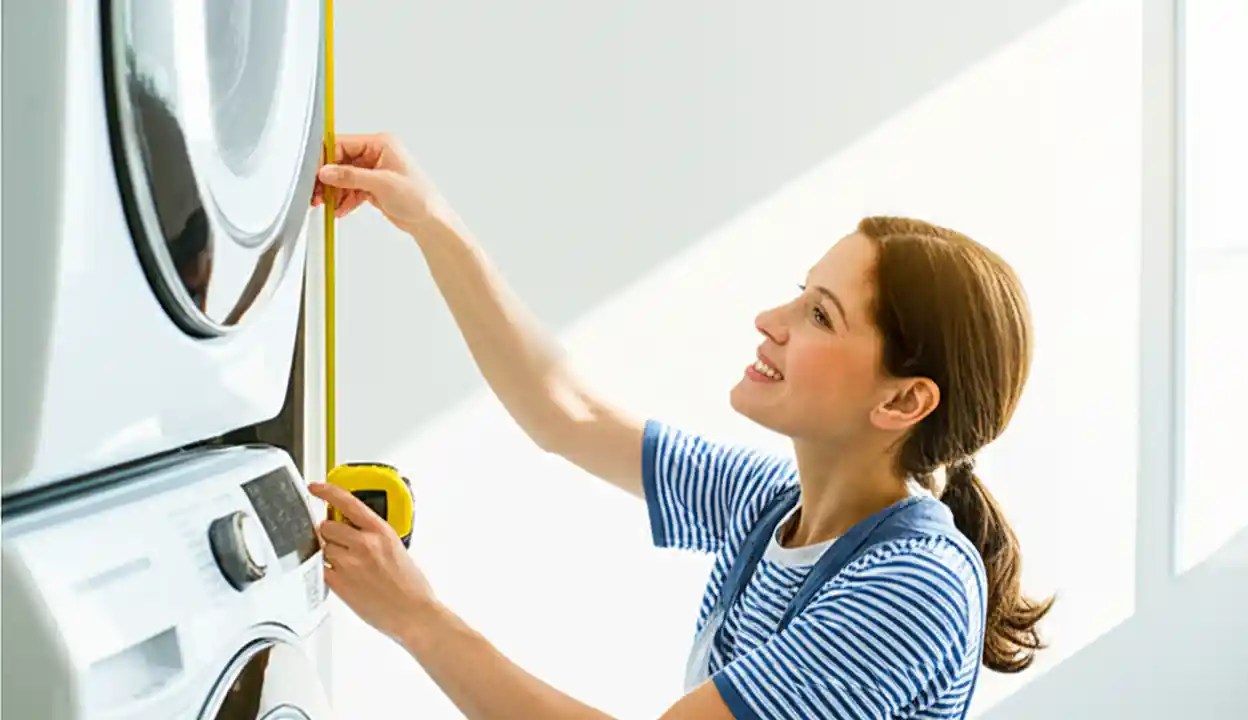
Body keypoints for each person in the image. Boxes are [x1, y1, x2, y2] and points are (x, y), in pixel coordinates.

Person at [307, 132, 1053, 720]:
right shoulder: (773, 507)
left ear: (901, 403)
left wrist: (418, 618)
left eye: (820, 314)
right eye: (799, 294)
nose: (771, 321)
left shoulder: (915, 585)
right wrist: (427, 217)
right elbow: (567, 412)